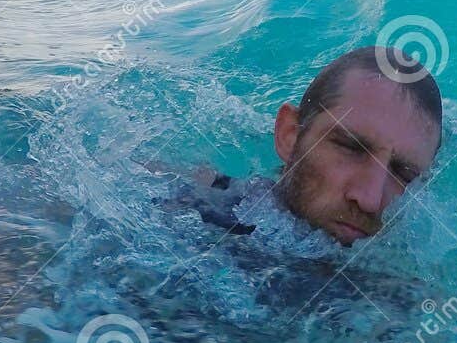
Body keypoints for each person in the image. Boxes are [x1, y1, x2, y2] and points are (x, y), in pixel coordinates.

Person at [181, 44, 442, 247]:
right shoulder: (186, 210)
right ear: (289, 135)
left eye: (403, 174)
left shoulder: (403, 303)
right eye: (351, 147)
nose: (370, 200)